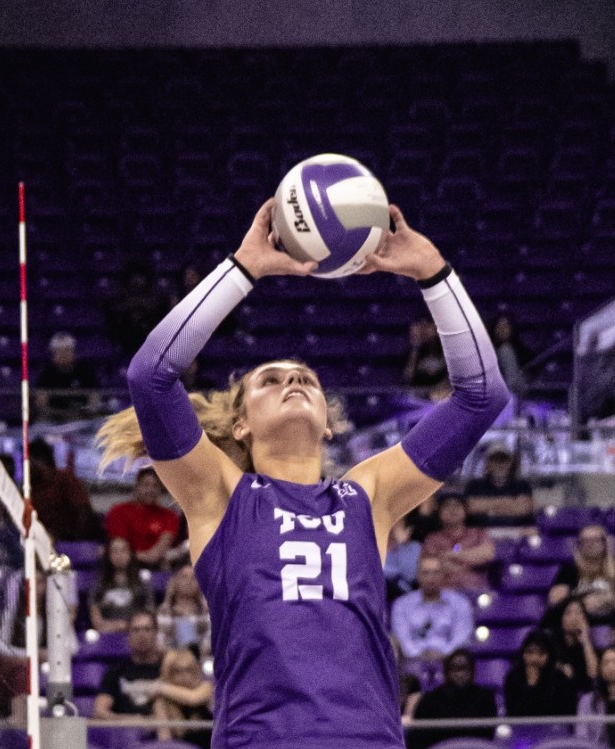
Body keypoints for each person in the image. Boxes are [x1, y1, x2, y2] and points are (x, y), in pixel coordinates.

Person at [93, 200, 509, 747]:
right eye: (271, 381)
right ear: (240, 426)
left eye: (305, 379)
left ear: (329, 426)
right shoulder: (221, 496)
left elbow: (482, 397)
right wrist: (242, 270)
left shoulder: (367, 496)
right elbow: (151, 376)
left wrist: (433, 272)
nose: (292, 381)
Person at [407, 648, 498, 749]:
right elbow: (419, 737)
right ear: (447, 671)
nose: (460, 674)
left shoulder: (485, 698)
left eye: (464, 668)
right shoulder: (431, 699)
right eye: (455, 668)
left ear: (472, 671)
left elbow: (488, 734)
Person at [391, 555, 474, 664]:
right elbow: (402, 639)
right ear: (417, 575)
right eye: (426, 572)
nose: (431, 577)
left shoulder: (460, 603)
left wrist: (444, 654)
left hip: (449, 663)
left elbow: (461, 638)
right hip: (412, 663)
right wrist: (418, 656)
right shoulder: (402, 604)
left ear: (443, 575)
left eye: (436, 572)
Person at [549, 524, 615, 623]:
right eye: (585, 541)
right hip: (580, 623)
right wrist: (583, 604)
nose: (590, 544)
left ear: (604, 543)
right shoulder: (568, 570)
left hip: (612, 623)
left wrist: (612, 602)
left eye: (595, 540)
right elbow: (555, 603)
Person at [93, 611, 164, 720]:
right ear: (128, 637)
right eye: (136, 630)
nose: (142, 635)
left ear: (156, 634)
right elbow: (100, 712)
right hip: (123, 733)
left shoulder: (168, 668)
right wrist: (131, 720)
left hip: (163, 731)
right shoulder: (115, 672)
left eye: (147, 629)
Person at [105, 467, 182, 567]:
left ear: (161, 489)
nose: (150, 490)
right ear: (137, 486)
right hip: (124, 569)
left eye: (155, 486)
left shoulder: (170, 517)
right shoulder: (118, 512)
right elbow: (119, 553)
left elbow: (155, 555)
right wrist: (141, 556)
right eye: (146, 485)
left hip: (155, 568)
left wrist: (134, 556)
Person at [28, 439, 103, 542]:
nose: (26, 469)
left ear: (40, 461)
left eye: (29, 463)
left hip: (70, 539)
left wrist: (75, 539)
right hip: (41, 540)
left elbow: (83, 510)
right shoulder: (29, 487)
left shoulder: (64, 479)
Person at [422, 494, 496, 591]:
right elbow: (434, 565)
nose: (452, 510)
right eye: (446, 506)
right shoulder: (432, 539)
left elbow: (487, 554)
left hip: (476, 590)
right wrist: (470, 560)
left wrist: (451, 554)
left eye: (457, 506)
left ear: (465, 510)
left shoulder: (479, 533)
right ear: (439, 513)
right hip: (445, 592)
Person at [503, 629, 579, 717]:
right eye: (530, 652)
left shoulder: (560, 678)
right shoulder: (513, 678)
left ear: (549, 655)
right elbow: (514, 713)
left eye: (541, 653)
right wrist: (531, 686)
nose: (534, 658)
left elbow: (564, 713)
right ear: (523, 654)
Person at [106, 260, 173, 357]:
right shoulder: (120, 302)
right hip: (127, 342)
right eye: (134, 279)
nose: (137, 282)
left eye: (140, 278)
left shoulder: (157, 301)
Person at [89, 536, 155, 633]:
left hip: (136, 634)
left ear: (130, 554)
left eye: (123, 551)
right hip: (107, 635)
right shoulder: (98, 585)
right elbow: (96, 621)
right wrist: (117, 626)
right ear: (109, 555)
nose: (119, 555)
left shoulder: (142, 584)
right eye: (115, 551)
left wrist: (129, 626)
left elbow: (149, 617)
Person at [153, 648, 214, 748]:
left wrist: (160, 687)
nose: (184, 676)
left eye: (188, 670)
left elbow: (193, 699)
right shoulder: (161, 701)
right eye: (177, 671)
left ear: (196, 670)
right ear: (170, 674)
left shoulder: (206, 687)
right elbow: (164, 740)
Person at [538, 595, 600, 689]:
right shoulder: (550, 641)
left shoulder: (590, 643)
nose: (574, 618)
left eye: (579, 613)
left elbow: (594, 675)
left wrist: (585, 641)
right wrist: (559, 668)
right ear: (561, 618)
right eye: (568, 613)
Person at [463, 446, 533, 526]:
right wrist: (509, 503)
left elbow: (525, 509)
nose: (499, 464)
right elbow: (471, 508)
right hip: (481, 532)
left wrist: (487, 506)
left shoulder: (522, 485)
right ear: (487, 463)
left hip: (516, 531)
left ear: (510, 463)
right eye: (495, 461)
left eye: (503, 460)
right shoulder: (474, 485)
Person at [35, 331, 101, 417]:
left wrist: (84, 413)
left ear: (73, 352)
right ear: (53, 354)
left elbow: (95, 397)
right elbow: (42, 404)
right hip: (53, 420)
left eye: (67, 350)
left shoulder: (86, 370)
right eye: (59, 351)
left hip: (83, 418)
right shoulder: (45, 374)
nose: (63, 355)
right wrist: (63, 415)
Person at [158, 564, 210, 650]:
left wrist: (205, 606)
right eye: (184, 577)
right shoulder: (164, 611)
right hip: (172, 656)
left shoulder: (207, 612)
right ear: (175, 582)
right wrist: (167, 599)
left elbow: (210, 639)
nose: (189, 581)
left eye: (193, 578)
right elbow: (160, 642)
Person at [402, 316, 449, 398]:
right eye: (424, 327)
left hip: (442, 394)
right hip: (418, 395)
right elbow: (409, 377)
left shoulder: (448, 349)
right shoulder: (414, 350)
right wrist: (416, 347)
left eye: (429, 326)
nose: (427, 331)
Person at [491, 313, 532, 396]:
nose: (503, 331)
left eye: (506, 327)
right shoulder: (486, 348)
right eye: (499, 327)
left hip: (515, 394)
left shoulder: (521, 350)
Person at [383, 517, 422, 601]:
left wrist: (402, 546)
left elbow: (410, 576)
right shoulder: (371, 546)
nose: (392, 527)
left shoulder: (414, 547)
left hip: (404, 595)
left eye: (398, 524)